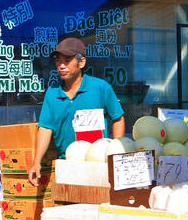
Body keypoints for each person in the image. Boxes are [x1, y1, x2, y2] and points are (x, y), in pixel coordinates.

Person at [29, 36, 126, 184]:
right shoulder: (52, 92)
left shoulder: (101, 88)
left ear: (81, 62)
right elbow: (45, 128)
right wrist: (37, 162)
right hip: (67, 166)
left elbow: (118, 118)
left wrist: (115, 155)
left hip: (99, 165)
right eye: (58, 60)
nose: (61, 66)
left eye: (67, 60)